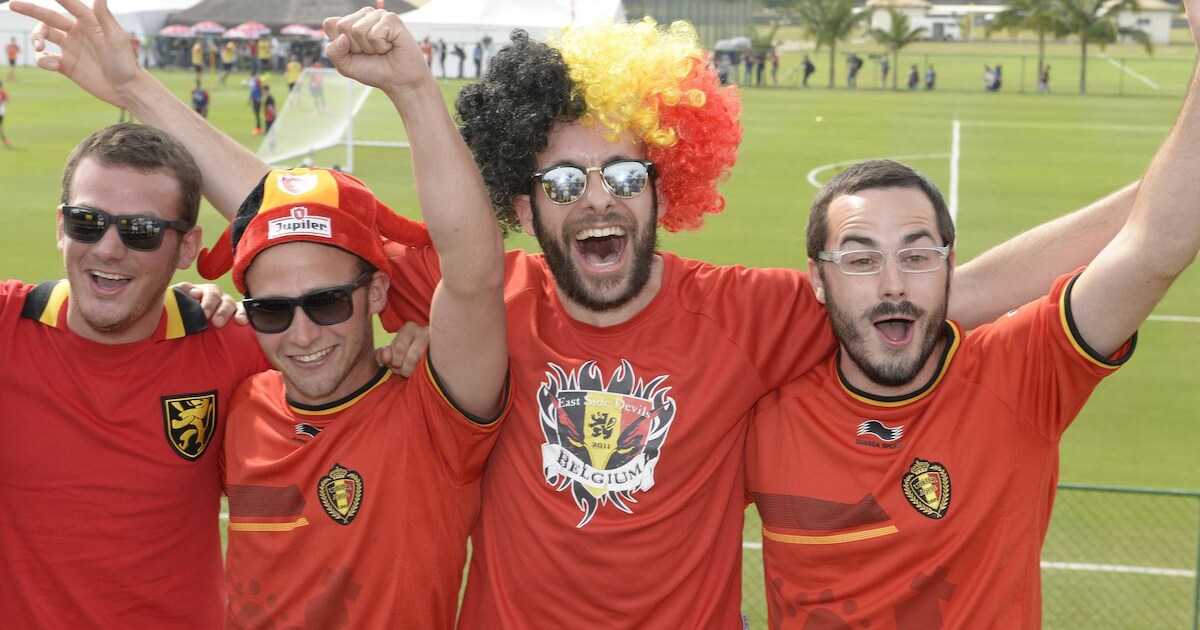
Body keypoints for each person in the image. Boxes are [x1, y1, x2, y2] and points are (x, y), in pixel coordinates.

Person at [22, 5, 1146, 625]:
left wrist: (1163, 198)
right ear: (519, 201)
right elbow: (287, 217)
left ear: (671, 186)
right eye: (562, 183)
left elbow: (966, 288)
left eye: (623, 174)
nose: (596, 200)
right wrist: (137, 93)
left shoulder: (747, 314)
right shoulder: (482, 296)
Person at [747, 73, 1200, 622]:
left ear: (949, 266)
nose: (893, 284)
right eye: (861, 259)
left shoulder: (1019, 376)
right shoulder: (762, 414)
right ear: (818, 279)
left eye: (916, 256)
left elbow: (1155, 246)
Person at [201, 10, 510, 625]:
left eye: (327, 301)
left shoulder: (432, 413)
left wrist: (414, 90)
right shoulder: (239, 406)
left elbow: (473, 276)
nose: (303, 333)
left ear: (375, 294)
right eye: (271, 311)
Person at [0, 122, 269, 628]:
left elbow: (301, 227)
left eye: (140, 231)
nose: (107, 249)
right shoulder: (6, 328)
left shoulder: (232, 346)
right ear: (61, 226)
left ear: (188, 248)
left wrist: (414, 342)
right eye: (86, 221)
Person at [248, 69, 263, 134]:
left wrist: (250, 98)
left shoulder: (254, 80)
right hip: (257, 98)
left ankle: (258, 127)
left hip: (256, 98)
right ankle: (258, 126)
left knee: (257, 113)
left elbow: (253, 90)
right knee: (257, 113)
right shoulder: (257, 79)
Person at [0, 80, 8, 146]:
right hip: (1, 112)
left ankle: (4, 139)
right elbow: (7, 100)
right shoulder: (3, 93)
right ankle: (4, 139)